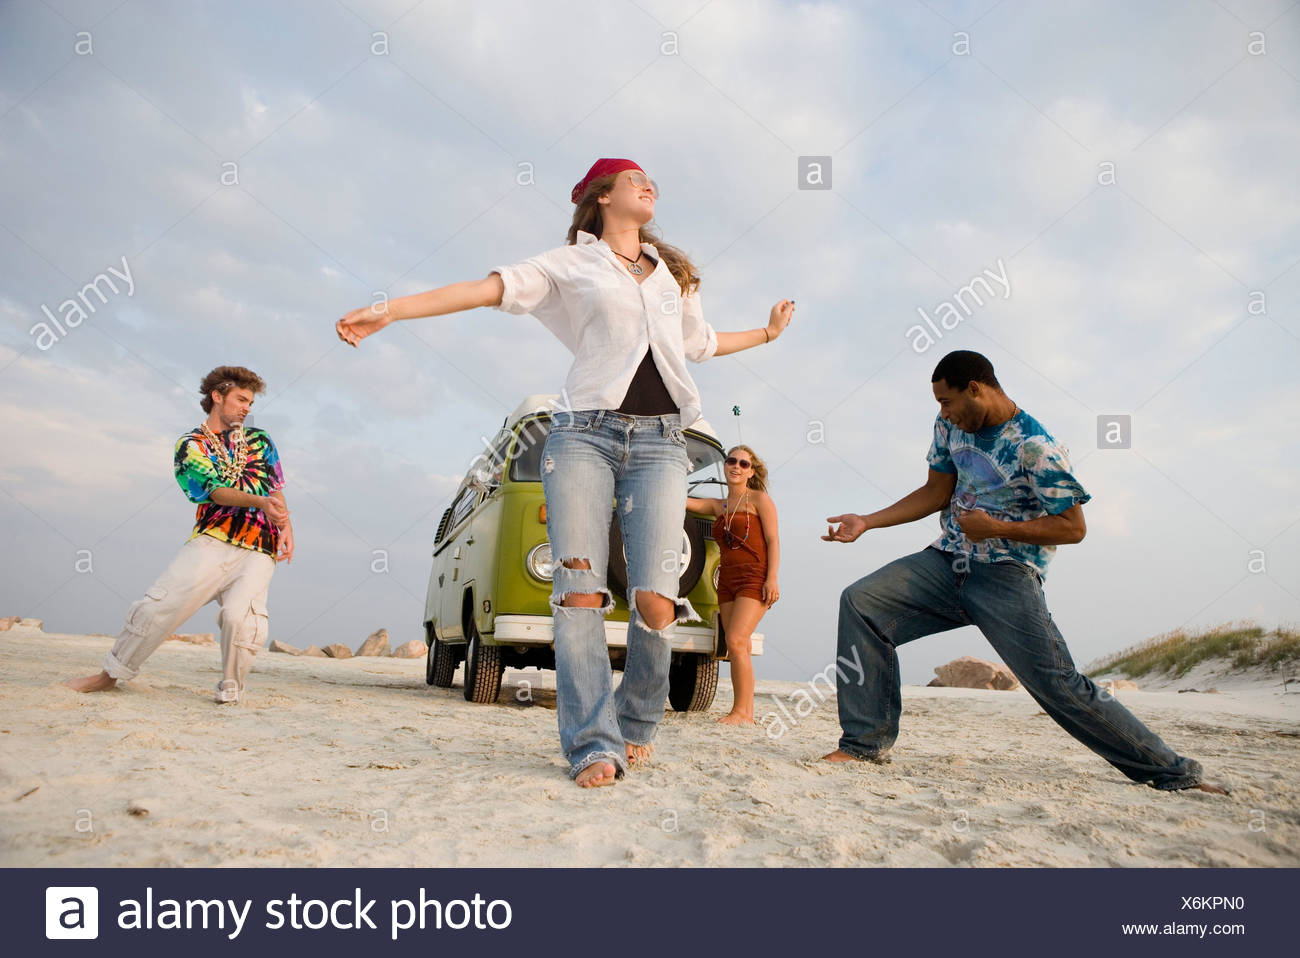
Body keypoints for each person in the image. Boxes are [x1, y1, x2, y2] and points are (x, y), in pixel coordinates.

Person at [335, 158, 794, 787]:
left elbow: (701, 343)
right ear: (603, 197)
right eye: (633, 178)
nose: (647, 183)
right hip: (582, 437)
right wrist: (392, 311)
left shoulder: (672, 277)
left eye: (650, 179)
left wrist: (768, 335)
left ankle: (634, 724)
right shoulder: (568, 264)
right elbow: (484, 290)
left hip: (664, 443)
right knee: (579, 594)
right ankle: (591, 744)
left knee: (658, 601)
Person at [820, 350, 1226, 794]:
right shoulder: (949, 428)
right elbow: (936, 492)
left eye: (947, 401)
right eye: (939, 404)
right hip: (945, 561)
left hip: (1008, 575)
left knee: (1057, 683)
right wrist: (867, 522)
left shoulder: (1036, 446)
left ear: (976, 388)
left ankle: (1172, 771)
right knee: (862, 603)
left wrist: (997, 528)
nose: (944, 412)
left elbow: (1073, 527)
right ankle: (864, 744)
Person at [64, 366, 294, 703]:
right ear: (218, 396)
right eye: (241, 399)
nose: (247, 407)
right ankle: (109, 676)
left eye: (250, 402)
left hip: (260, 546)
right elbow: (214, 491)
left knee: (240, 620)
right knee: (157, 608)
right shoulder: (191, 445)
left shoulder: (260, 440)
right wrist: (259, 501)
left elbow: (275, 487)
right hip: (213, 539)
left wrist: (287, 527)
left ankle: (231, 690)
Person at [686, 445, 779, 724]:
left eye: (743, 463)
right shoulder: (719, 506)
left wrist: (772, 578)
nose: (736, 466)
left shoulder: (760, 500)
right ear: (725, 466)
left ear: (751, 472)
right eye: (731, 461)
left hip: (755, 577)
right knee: (739, 645)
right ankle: (747, 712)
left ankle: (740, 712)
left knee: (737, 640)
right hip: (726, 581)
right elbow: (683, 501)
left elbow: (774, 541)